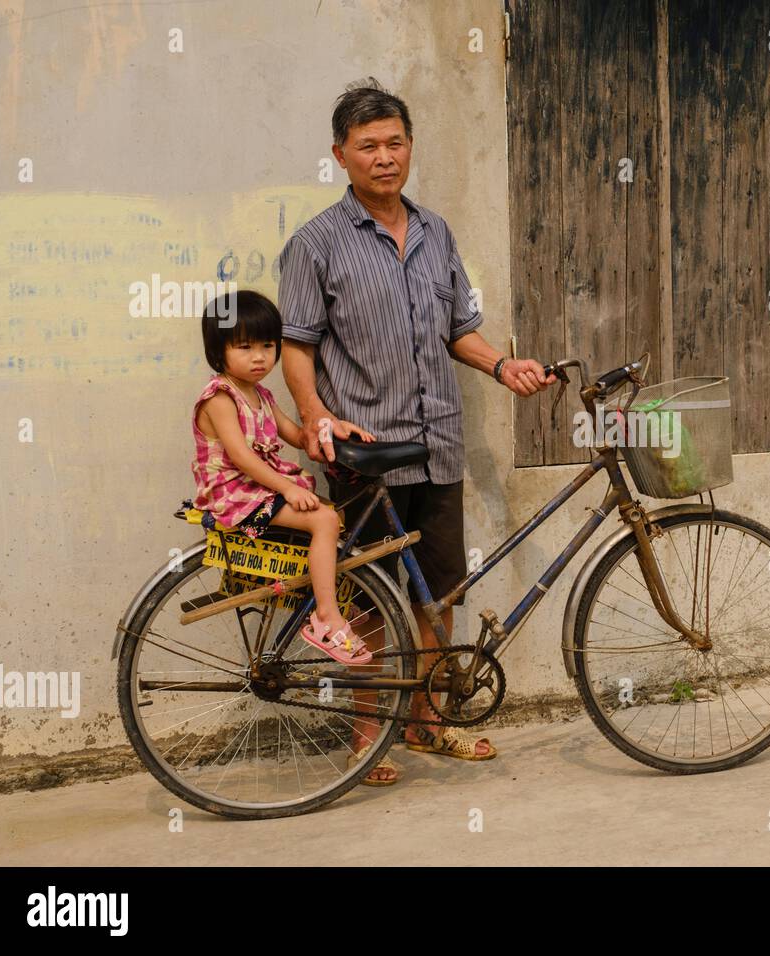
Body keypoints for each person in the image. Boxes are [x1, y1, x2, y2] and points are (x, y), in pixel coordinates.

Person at [279, 78, 554, 785]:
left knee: (440, 593)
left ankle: (428, 723)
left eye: (395, 142)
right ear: (340, 154)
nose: (383, 157)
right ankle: (368, 735)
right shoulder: (315, 244)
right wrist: (313, 416)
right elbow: (298, 345)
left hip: (438, 444)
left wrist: (503, 366)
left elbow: (460, 329)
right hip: (365, 455)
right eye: (367, 146)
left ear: (410, 148)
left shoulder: (436, 233)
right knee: (370, 601)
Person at [190, 289, 376, 665]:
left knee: (331, 516)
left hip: (260, 486)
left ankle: (328, 599)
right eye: (244, 346)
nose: (259, 356)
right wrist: (288, 488)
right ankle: (326, 617)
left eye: (267, 345)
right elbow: (241, 458)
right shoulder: (220, 398)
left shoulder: (261, 394)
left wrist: (333, 428)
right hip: (235, 492)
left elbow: (296, 434)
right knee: (323, 520)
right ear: (219, 350)